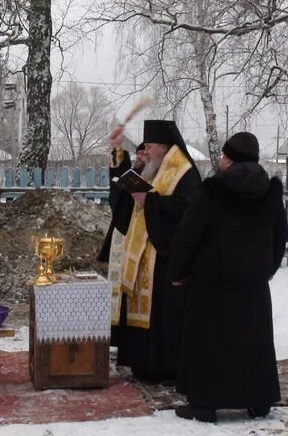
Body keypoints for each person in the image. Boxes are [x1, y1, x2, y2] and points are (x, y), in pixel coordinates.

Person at [169, 131, 287, 423]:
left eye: (223, 156)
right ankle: (258, 400)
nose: (220, 160)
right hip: (253, 285)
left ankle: (205, 403)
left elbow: (188, 235)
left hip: (211, 283)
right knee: (252, 341)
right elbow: (280, 237)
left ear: (230, 159)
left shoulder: (212, 191)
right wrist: (265, 269)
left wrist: (179, 271)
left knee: (210, 342)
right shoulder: (270, 193)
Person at [108, 119, 202, 382]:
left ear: (163, 147)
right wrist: (117, 151)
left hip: (165, 258)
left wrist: (149, 201)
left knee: (164, 316)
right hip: (144, 255)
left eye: (148, 147)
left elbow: (187, 211)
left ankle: (164, 367)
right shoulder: (156, 169)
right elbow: (126, 197)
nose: (145, 152)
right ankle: (143, 364)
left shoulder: (183, 172)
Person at [97, 131, 145, 264]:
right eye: (138, 153)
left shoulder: (156, 176)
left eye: (143, 154)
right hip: (125, 227)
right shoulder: (133, 175)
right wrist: (116, 148)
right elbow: (117, 174)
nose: (140, 157)